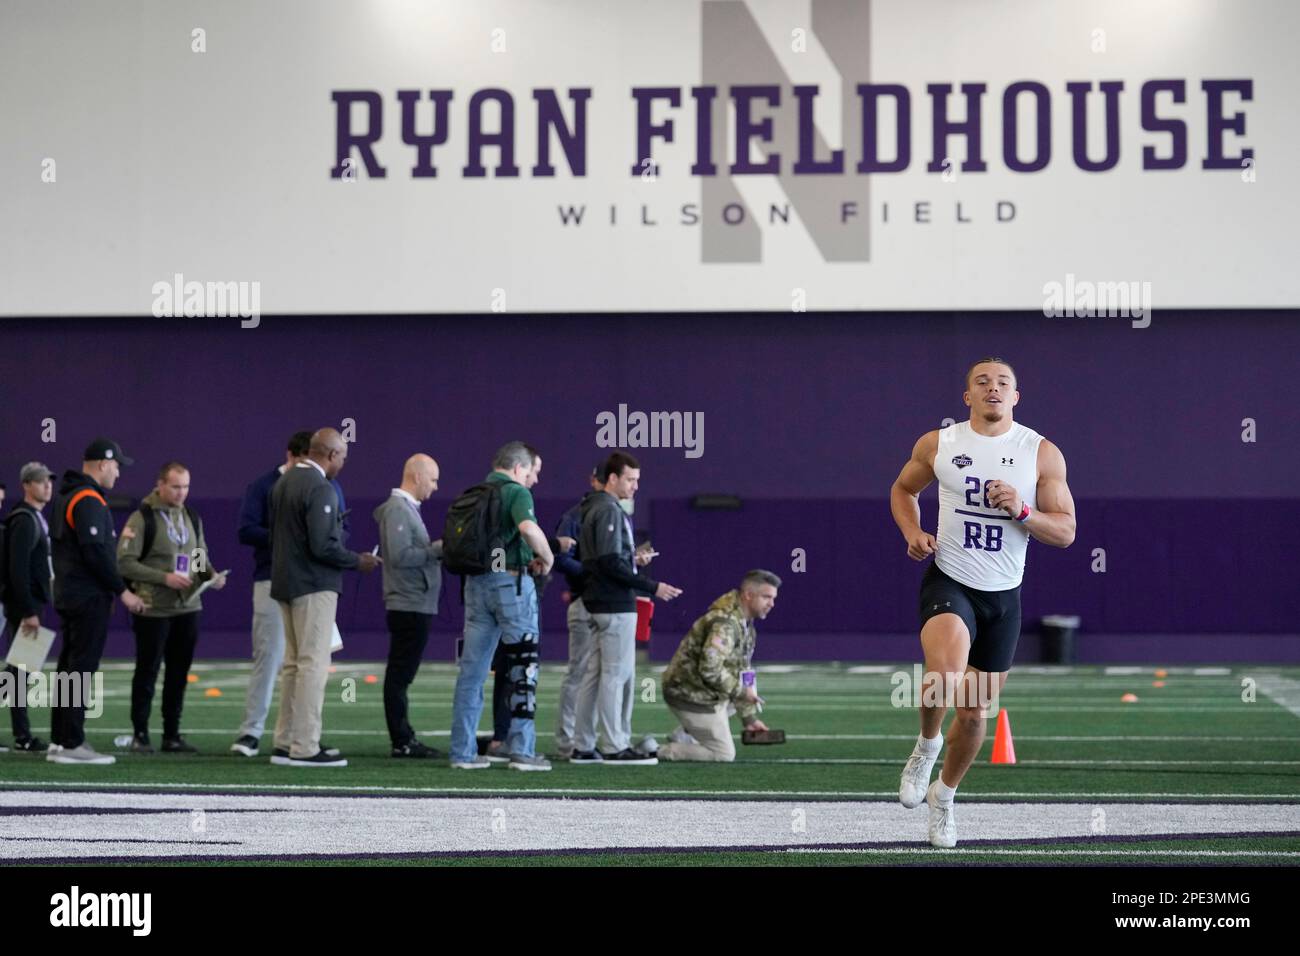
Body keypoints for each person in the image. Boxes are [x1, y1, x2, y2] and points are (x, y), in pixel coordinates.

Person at [891, 357, 1076, 848]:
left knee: (974, 716)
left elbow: (1066, 531)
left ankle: (945, 797)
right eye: (982, 382)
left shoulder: (1041, 452)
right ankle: (925, 747)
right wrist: (913, 531)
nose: (992, 388)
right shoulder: (940, 443)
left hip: (1002, 596)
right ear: (966, 396)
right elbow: (903, 489)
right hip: (949, 579)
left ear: (1016, 396)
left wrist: (1021, 508)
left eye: (1003, 383)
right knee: (944, 671)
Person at [230, 431, 346, 758]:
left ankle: (293, 738)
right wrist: (290, 540)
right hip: (283, 578)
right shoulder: (272, 485)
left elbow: (336, 528)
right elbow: (247, 529)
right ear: (292, 455)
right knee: (282, 659)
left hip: (292, 578)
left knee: (296, 661)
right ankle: (258, 733)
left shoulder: (324, 485)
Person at [268, 428, 378, 767]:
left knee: (292, 665)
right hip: (313, 585)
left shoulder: (283, 481)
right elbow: (323, 545)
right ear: (331, 454)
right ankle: (304, 746)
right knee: (313, 665)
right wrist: (358, 561)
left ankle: (286, 741)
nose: (343, 464)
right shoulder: (320, 488)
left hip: (285, 581)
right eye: (343, 457)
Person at [447, 441, 554, 771]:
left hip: (477, 585)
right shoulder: (516, 492)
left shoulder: (475, 493)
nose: (533, 480)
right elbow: (527, 528)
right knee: (524, 666)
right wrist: (547, 557)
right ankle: (522, 749)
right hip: (510, 585)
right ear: (519, 468)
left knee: (472, 673)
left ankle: (462, 752)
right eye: (532, 473)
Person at [570, 451, 682, 765]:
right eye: (630, 479)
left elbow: (600, 560)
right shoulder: (608, 510)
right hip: (614, 604)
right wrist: (651, 586)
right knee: (614, 677)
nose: (635, 486)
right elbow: (608, 563)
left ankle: (583, 744)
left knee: (594, 676)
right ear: (613, 478)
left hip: (596, 602)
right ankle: (614, 745)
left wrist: (630, 561)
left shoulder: (591, 508)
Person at [47, 438, 148, 765]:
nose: (118, 473)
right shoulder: (88, 499)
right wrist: (123, 591)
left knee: (68, 667)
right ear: (103, 463)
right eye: (117, 466)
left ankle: (61, 739)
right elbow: (96, 553)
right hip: (86, 596)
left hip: (70, 593)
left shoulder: (67, 496)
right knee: (81, 669)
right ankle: (72, 741)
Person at [117, 461, 226, 754]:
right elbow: (125, 563)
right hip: (154, 608)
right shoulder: (142, 518)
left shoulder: (191, 515)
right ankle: (140, 733)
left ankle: (172, 734)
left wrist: (210, 576)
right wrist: (163, 577)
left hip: (188, 606)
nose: (181, 493)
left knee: (179, 673)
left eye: (186, 487)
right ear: (160, 484)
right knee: (147, 671)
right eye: (176, 486)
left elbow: (199, 554)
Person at [657, 570, 781, 762]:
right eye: (766, 597)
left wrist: (749, 719)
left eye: (773, 598)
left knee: (744, 689)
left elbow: (742, 671)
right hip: (688, 693)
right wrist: (741, 691)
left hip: (703, 690)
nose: (771, 604)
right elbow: (710, 670)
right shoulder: (725, 624)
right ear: (748, 595)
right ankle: (659, 751)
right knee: (723, 754)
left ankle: (685, 734)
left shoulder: (745, 623)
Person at [373, 454, 444, 758]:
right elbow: (400, 557)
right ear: (416, 477)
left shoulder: (406, 510)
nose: (436, 487)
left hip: (415, 601)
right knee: (400, 674)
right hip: (408, 602)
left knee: (402, 673)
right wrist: (437, 550)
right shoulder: (398, 510)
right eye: (433, 479)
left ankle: (403, 737)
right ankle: (402, 739)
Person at [1, 462, 56, 752]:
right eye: (40, 481)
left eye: (48, 481)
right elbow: (17, 569)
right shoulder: (24, 519)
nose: (47, 486)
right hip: (26, 604)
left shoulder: (35, 517)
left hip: (31, 602)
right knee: (20, 671)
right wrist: (27, 610)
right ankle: (22, 736)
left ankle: (22, 733)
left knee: (20, 670)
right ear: (26, 485)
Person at [550, 466, 603, 760]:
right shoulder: (575, 516)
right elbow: (559, 558)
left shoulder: (615, 514)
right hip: (585, 601)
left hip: (606, 604)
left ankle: (588, 739)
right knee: (578, 673)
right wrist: (591, 574)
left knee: (599, 676)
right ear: (595, 480)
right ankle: (567, 742)